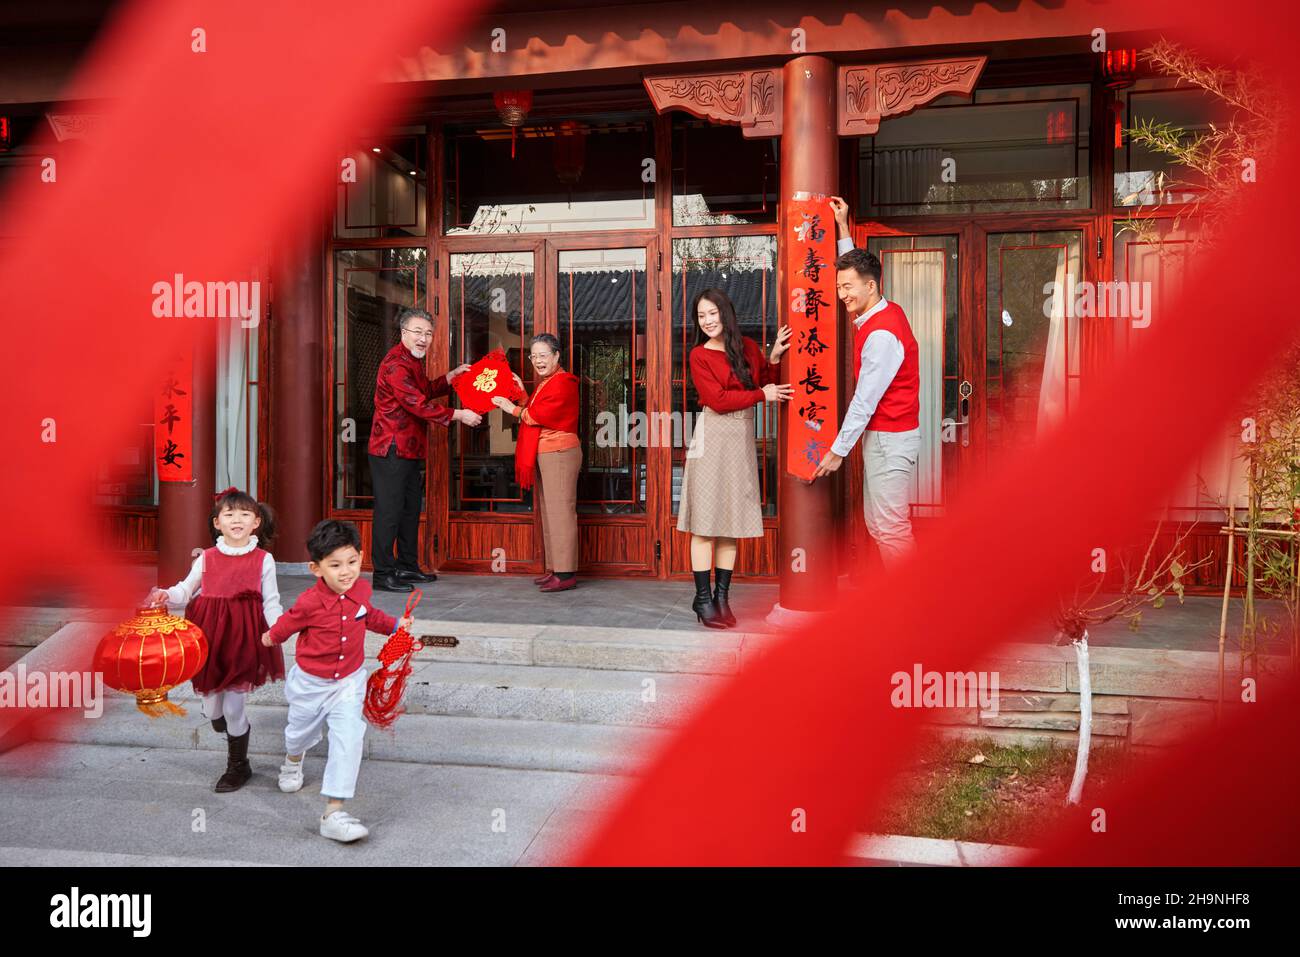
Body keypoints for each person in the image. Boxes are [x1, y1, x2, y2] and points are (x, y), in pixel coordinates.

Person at [261, 519, 412, 843]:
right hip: (311, 683)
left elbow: (370, 616)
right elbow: (288, 623)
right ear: (316, 568)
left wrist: (397, 625)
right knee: (299, 733)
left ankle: (334, 812)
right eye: (335, 565)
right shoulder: (308, 602)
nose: (346, 572)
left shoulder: (360, 591)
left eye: (353, 562)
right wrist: (271, 637)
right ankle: (293, 760)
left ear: (360, 556)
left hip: (348, 683)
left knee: (348, 737)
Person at [146, 486, 284, 793]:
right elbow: (185, 590)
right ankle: (219, 720)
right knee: (211, 708)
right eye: (229, 514)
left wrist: (277, 629)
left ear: (256, 522)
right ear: (217, 522)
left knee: (235, 706)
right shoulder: (206, 557)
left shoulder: (264, 559)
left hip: (244, 637)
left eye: (245, 514)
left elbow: (271, 601)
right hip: (207, 636)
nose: (237, 520)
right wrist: (167, 594)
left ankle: (238, 765)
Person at [811, 196, 922, 570]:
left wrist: (838, 451)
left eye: (847, 288)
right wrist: (843, 227)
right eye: (840, 287)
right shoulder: (883, 309)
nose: (842, 295)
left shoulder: (881, 335)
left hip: (891, 441)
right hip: (884, 437)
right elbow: (854, 266)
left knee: (890, 528)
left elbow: (865, 400)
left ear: (871, 287)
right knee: (880, 525)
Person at [678, 289, 792, 628]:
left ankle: (722, 598)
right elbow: (718, 399)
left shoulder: (749, 348)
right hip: (712, 435)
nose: (708, 320)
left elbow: (767, 384)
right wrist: (761, 394)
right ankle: (702, 600)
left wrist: (773, 358)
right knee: (705, 523)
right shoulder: (698, 355)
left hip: (740, 438)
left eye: (712, 313)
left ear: (725, 313)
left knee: (729, 521)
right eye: (701, 316)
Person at [368, 306, 480, 593]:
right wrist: (459, 415)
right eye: (418, 332)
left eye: (428, 333)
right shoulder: (395, 365)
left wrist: (451, 376)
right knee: (389, 512)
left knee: (408, 511)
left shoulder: (412, 361)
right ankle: (382, 574)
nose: (424, 338)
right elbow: (417, 404)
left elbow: (424, 391)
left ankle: (406, 565)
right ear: (404, 333)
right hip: (390, 449)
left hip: (410, 449)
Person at [492, 334, 582, 592]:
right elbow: (533, 407)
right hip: (548, 453)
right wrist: (521, 392)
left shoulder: (563, 381)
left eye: (544, 355)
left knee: (561, 512)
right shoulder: (548, 382)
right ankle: (555, 568)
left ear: (557, 356)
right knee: (549, 511)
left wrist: (511, 408)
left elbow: (538, 414)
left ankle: (566, 574)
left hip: (559, 452)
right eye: (534, 356)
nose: (538, 361)